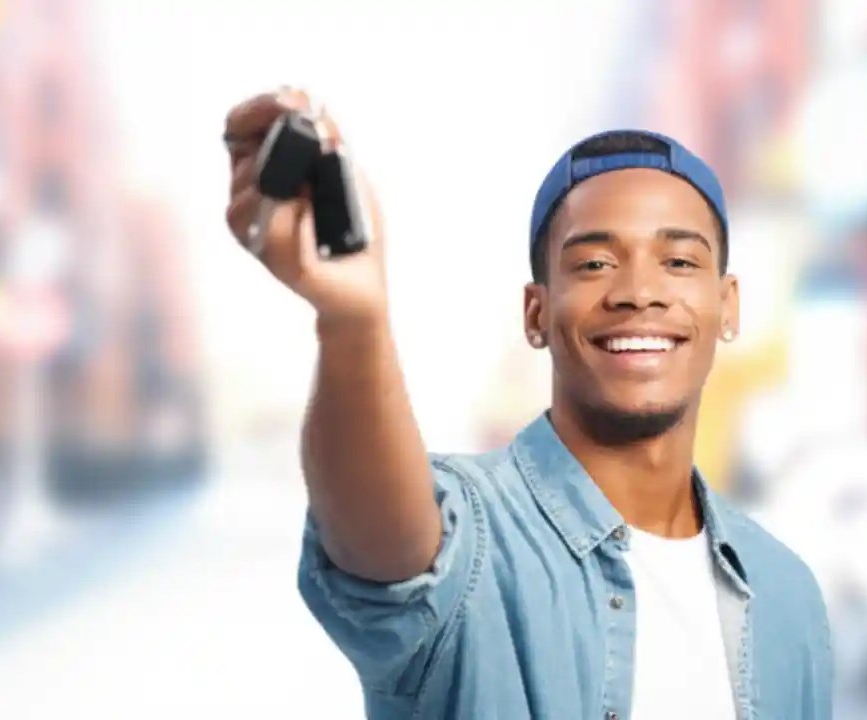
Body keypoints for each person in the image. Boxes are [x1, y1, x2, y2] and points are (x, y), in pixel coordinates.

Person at [222, 89, 832, 720]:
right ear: (536, 314)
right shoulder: (467, 540)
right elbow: (384, 549)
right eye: (594, 262)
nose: (639, 291)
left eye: (678, 261)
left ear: (726, 306)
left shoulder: (789, 595)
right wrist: (353, 320)